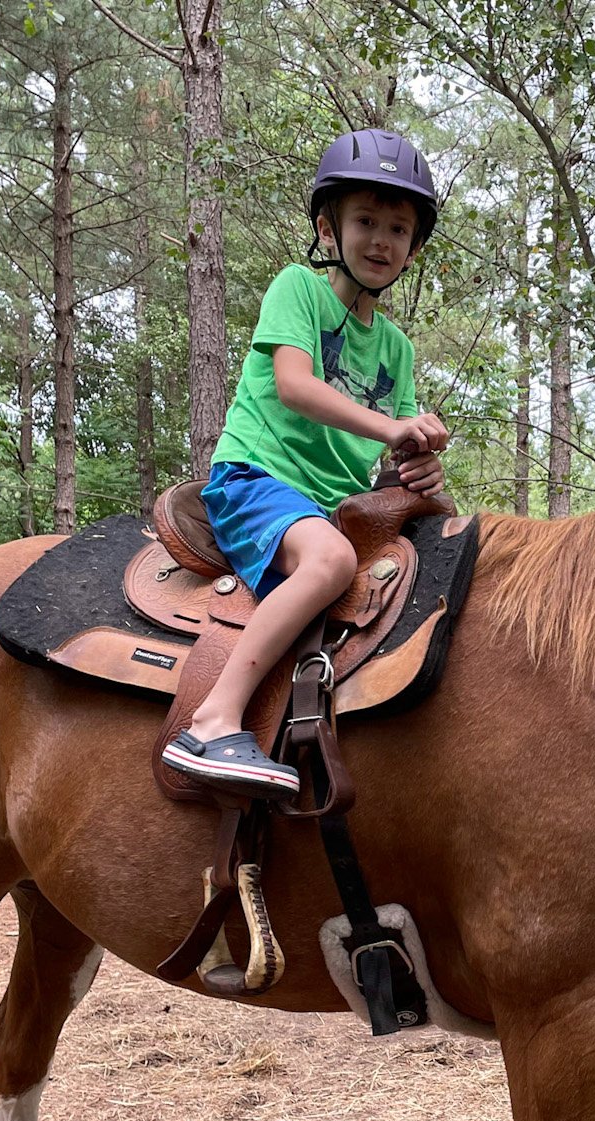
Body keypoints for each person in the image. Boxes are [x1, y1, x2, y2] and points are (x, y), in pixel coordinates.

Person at [162, 129, 449, 794]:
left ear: (413, 248)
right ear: (328, 230)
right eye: (365, 221)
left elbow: (394, 447)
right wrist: (392, 423)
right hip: (255, 482)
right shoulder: (299, 289)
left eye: (398, 229)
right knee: (329, 563)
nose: (381, 240)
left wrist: (419, 465)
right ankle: (212, 720)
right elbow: (294, 384)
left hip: (328, 508)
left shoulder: (397, 350)